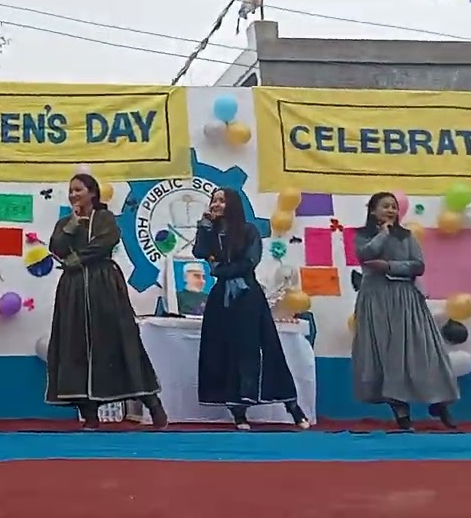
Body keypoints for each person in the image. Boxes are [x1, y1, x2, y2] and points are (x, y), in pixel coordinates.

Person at [45, 173, 166, 430]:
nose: (73, 194)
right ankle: (90, 414)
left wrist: (77, 259)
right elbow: (56, 247)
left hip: (103, 287)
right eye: (71, 190)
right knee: (76, 346)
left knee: (118, 342)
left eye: (78, 190)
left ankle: (152, 403)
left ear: (92, 193)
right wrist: (72, 227)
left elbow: (105, 242)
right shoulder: (65, 222)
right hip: (74, 291)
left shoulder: (106, 218)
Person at [194, 188, 308, 430]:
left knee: (260, 348)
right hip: (221, 299)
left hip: (247, 297)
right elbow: (200, 252)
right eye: (213, 200)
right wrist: (204, 225)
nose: (216, 204)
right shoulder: (211, 230)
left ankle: (293, 408)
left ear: (232, 204)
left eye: (221, 200)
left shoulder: (248, 231)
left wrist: (218, 269)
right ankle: (238, 411)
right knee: (225, 352)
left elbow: (248, 262)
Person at [352, 192, 459, 431]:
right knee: (387, 354)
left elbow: (418, 265)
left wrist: (389, 266)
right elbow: (366, 255)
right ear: (372, 211)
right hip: (377, 300)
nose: (391, 211)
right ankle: (400, 411)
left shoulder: (408, 236)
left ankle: (439, 402)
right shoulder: (362, 235)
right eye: (385, 207)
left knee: (424, 352)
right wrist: (384, 234)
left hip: (407, 298)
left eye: (394, 207)